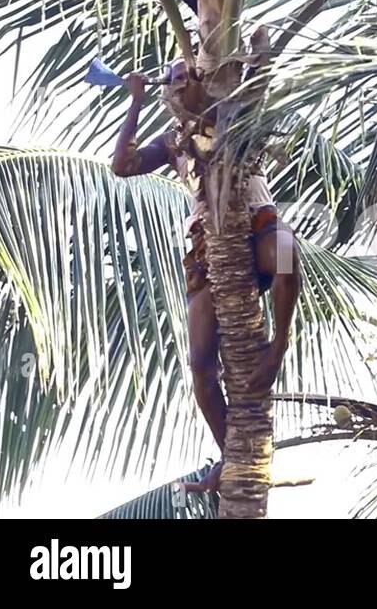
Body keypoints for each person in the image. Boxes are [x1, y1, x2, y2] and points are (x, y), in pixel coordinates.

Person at [110, 61, 301, 492]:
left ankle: (279, 345)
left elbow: (236, 55)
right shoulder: (174, 142)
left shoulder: (234, 114)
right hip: (208, 243)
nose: (180, 85)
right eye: (174, 80)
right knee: (200, 367)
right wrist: (136, 101)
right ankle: (230, 454)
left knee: (287, 255)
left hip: (254, 217)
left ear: (207, 81)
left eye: (187, 77)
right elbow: (122, 165)